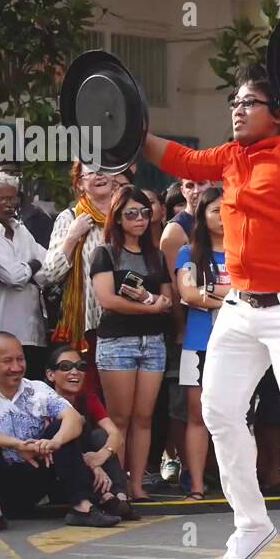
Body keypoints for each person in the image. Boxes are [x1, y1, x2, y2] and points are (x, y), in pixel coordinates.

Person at [142, 63, 280, 559]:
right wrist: (130, 128)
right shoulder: (229, 157)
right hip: (240, 308)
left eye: (249, 103)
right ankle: (251, 523)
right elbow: (180, 157)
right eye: (235, 103)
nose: (238, 110)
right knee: (219, 411)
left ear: (279, 113)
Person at [90, 185, 173, 502]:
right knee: (119, 418)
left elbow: (168, 298)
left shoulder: (156, 255)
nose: (140, 219)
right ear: (118, 218)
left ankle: (137, 484)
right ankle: (117, 485)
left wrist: (155, 302)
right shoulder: (106, 253)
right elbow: (107, 300)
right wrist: (151, 307)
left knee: (144, 417)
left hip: (153, 342)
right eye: (131, 214)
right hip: (117, 340)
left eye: (145, 212)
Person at [0, 332, 121, 531]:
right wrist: (16, 445)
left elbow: (74, 418)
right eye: (7, 361)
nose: (16, 367)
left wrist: (55, 442)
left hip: (36, 477)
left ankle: (83, 508)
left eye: (20, 359)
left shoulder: (37, 389)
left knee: (63, 427)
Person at [174, 188, 230, 500]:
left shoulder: (243, 251)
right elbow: (189, 294)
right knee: (197, 416)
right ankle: (196, 484)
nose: (222, 217)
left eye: (227, 210)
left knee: (236, 415)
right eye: (215, 211)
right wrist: (230, 293)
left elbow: (250, 293)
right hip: (198, 345)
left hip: (237, 347)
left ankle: (234, 484)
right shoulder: (189, 253)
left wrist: (211, 291)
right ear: (203, 216)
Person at [43, 161, 115, 395]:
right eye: (91, 173)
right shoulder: (70, 217)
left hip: (126, 321)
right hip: (87, 326)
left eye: (103, 170)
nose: (99, 176)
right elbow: (51, 274)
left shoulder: (127, 213)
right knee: (89, 395)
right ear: (80, 183)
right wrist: (73, 235)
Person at [46, 345, 138, 520]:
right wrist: (92, 465)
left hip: (90, 464)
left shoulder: (88, 399)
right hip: (61, 474)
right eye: (65, 367)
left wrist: (101, 456)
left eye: (80, 367)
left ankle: (120, 497)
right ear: (51, 375)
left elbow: (115, 435)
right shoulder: (43, 400)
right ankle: (105, 498)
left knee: (100, 436)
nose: (75, 372)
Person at [0, 169, 49, 381]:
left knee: (31, 391)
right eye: (2, 198)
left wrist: (29, 269)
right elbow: (14, 278)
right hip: (0, 330)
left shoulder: (22, 230)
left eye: (13, 197)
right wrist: (33, 264)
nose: (10, 203)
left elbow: (48, 270)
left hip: (32, 331)